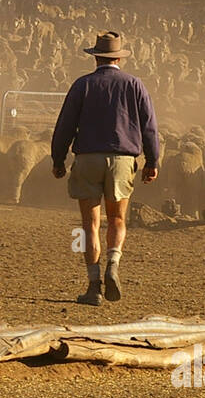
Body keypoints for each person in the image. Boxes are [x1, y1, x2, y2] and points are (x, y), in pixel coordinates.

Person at [51, 31, 160, 306]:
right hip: (123, 160)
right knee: (117, 220)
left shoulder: (82, 85)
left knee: (90, 225)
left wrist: (58, 158)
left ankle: (93, 286)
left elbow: (65, 124)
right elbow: (149, 126)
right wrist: (152, 161)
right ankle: (113, 263)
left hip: (87, 158)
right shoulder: (135, 85)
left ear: (96, 57)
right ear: (119, 58)